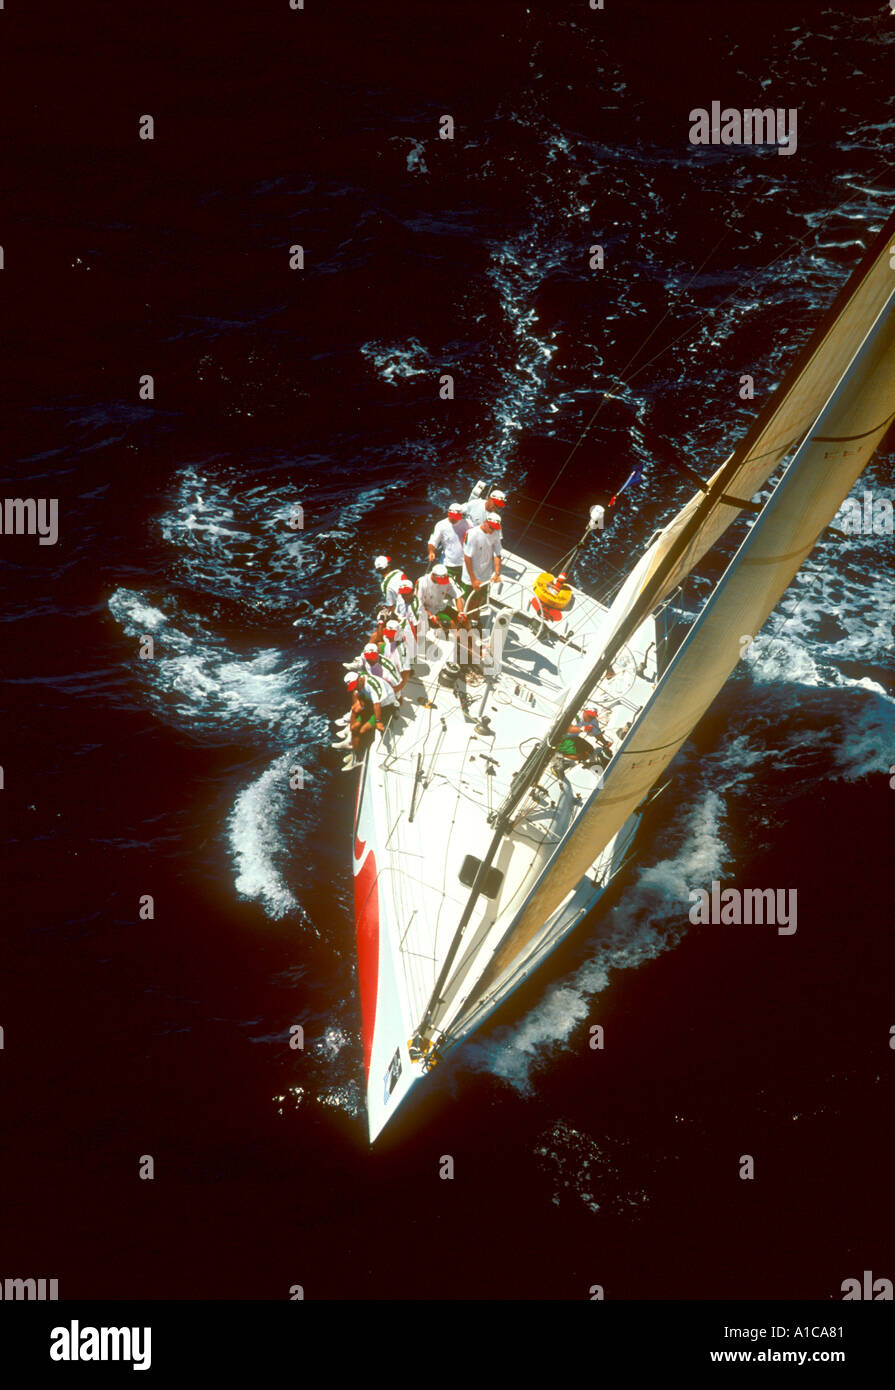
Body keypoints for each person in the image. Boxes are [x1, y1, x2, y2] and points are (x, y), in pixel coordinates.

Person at [344, 669, 397, 753]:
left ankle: (361, 755)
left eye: (355, 685)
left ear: (359, 679)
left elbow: (377, 705)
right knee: (354, 727)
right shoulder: (360, 683)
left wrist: (378, 722)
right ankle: (354, 751)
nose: (356, 688)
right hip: (372, 705)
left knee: (363, 730)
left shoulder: (372, 686)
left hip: (385, 707)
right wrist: (360, 703)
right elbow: (358, 694)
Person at [462, 515, 502, 616]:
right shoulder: (472, 534)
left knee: (479, 601)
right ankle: (465, 622)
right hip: (470, 577)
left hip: (485, 576)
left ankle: (475, 620)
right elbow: (467, 557)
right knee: (468, 603)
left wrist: (497, 573)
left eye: (495, 528)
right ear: (485, 522)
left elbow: (497, 554)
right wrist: (473, 579)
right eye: (491, 527)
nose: (493, 531)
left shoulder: (496, 533)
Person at [417, 563, 467, 633]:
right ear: (433, 575)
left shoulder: (448, 579)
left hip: (442, 607)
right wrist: (431, 616)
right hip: (429, 612)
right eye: (440, 581)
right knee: (452, 624)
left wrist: (461, 612)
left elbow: (458, 596)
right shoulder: (422, 583)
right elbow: (419, 605)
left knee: (465, 621)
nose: (442, 583)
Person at [428, 504, 469, 583]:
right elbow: (433, 541)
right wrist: (431, 552)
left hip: (465, 564)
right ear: (448, 513)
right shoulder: (441, 525)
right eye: (452, 516)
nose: (453, 519)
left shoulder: (467, 524)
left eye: (456, 517)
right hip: (448, 565)